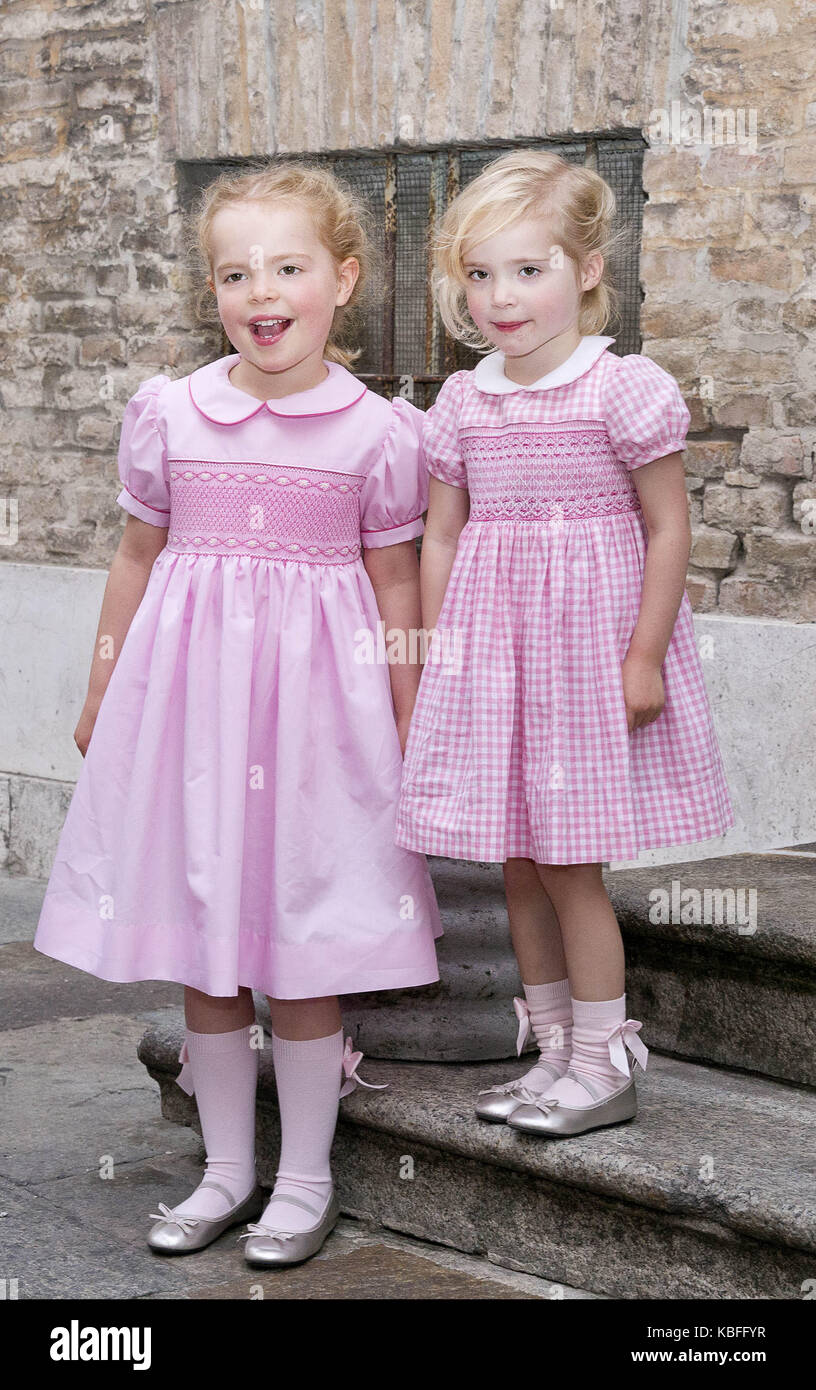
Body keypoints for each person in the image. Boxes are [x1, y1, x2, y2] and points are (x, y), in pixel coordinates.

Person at [33, 160, 442, 1263]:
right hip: (190, 717)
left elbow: (398, 585)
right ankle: (224, 1172)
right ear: (211, 290)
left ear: (343, 279)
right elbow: (135, 554)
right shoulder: (171, 413)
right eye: (234, 271)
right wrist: (102, 686)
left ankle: (303, 1181)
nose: (262, 290)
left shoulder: (379, 435)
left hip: (319, 724)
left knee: (299, 945)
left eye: (290, 266)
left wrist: (411, 717)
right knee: (209, 954)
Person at [395, 149, 734, 1138]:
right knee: (514, 860)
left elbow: (667, 527)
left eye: (528, 270)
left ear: (585, 270)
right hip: (492, 660)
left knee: (570, 861)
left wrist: (642, 654)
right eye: (481, 274)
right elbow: (445, 534)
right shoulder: (463, 402)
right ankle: (550, 1055)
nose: (502, 297)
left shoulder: (620, 389)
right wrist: (435, 654)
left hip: (588, 655)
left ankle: (603, 1058)